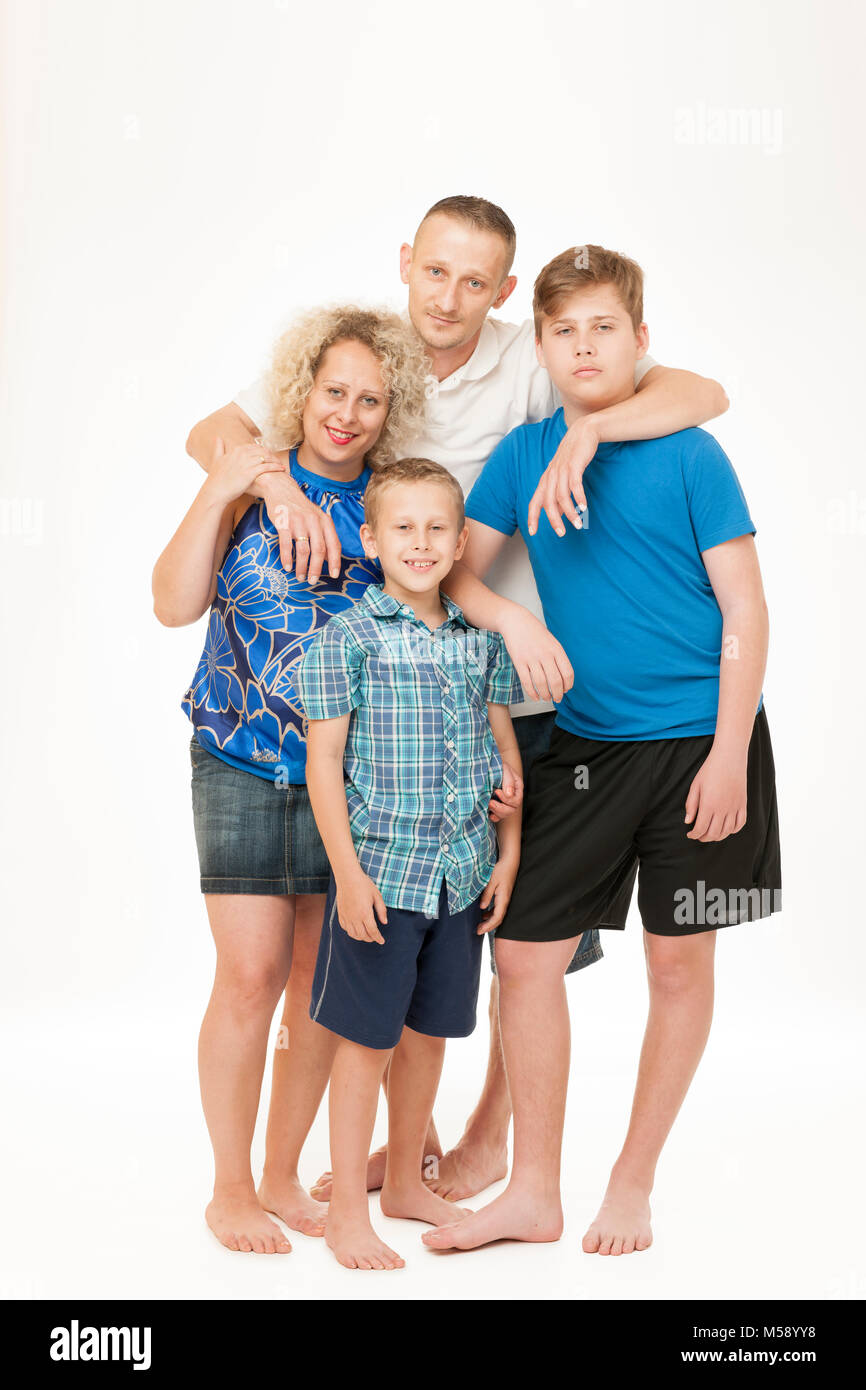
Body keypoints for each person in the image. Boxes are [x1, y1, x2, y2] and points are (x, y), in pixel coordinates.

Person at [185, 196, 731, 1203]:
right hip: (391, 694)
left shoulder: (532, 356)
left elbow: (702, 392)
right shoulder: (368, 359)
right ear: (405, 263)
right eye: (435, 272)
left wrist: (588, 430)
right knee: (397, 920)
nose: (450, 297)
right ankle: (397, 1138)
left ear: (503, 291)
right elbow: (213, 427)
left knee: (520, 940)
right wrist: (276, 488)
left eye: (475, 280)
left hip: (518, 688)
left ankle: (485, 1142)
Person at [424, 244, 781, 1256]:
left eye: (603, 328)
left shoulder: (690, 454)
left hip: (700, 744)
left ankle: (630, 1180)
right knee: (522, 953)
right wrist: (513, 624)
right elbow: (457, 576)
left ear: (639, 341)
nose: (583, 346)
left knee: (676, 966)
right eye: (563, 331)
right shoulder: (521, 453)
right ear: (538, 345)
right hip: (583, 745)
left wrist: (725, 753)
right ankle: (531, 1189)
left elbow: (745, 609)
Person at [151, 305, 430, 1253]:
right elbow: (172, 603)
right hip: (234, 754)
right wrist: (249, 483)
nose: (346, 413)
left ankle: (280, 1171)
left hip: (338, 781)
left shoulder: (392, 505)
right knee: (250, 974)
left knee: (318, 979)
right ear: (303, 390)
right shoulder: (250, 473)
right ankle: (230, 1187)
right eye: (334, 391)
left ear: (389, 413)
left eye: (369, 399)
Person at [294, 458, 523, 1270]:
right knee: (365, 1039)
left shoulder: (481, 643)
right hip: (381, 881)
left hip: (459, 876)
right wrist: (347, 876)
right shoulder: (347, 638)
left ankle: (403, 1185)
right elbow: (324, 768)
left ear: (460, 542)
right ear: (372, 538)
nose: (420, 544)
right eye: (403, 528)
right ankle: (349, 1215)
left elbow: (506, 759)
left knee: (430, 1031)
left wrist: (508, 853)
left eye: (436, 530)